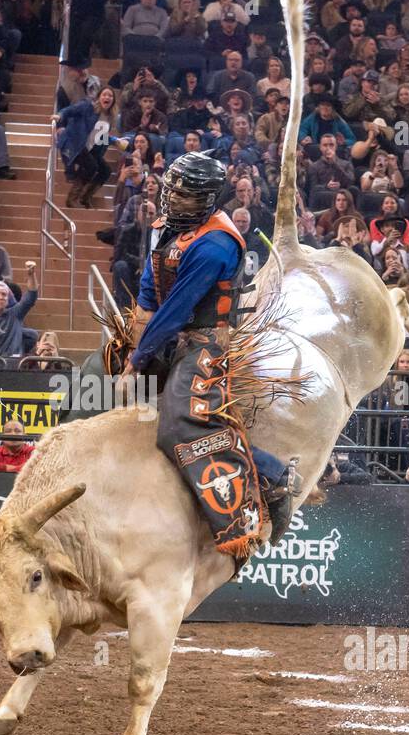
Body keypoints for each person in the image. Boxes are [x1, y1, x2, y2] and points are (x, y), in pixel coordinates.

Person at [119, 151, 297, 559]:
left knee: (181, 424)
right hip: (164, 331)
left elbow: (179, 307)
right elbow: (151, 284)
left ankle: (271, 478)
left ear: (204, 198)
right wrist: (135, 336)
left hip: (206, 342)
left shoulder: (217, 242)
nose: (170, 199)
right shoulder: (165, 226)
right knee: (95, 379)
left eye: (181, 194)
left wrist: (137, 361)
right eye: (170, 191)